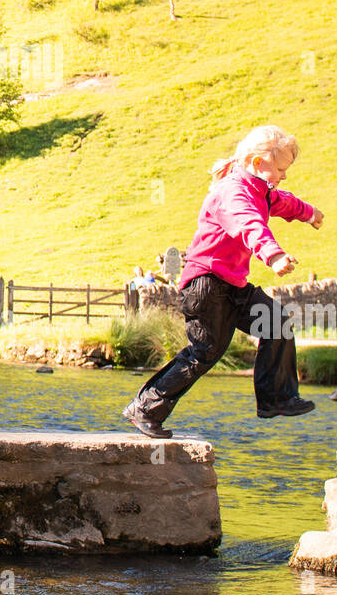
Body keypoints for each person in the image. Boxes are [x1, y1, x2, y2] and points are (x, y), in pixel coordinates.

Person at [122, 124, 323, 437]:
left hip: (232, 286)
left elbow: (280, 201)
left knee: (276, 321)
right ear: (258, 164)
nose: (284, 176)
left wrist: (308, 213)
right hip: (205, 285)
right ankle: (146, 407)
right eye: (281, 169)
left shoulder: (259, 190)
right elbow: (249, 224)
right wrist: (273, 255)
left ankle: (277, 399)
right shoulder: (231, 193)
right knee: (203, 354)